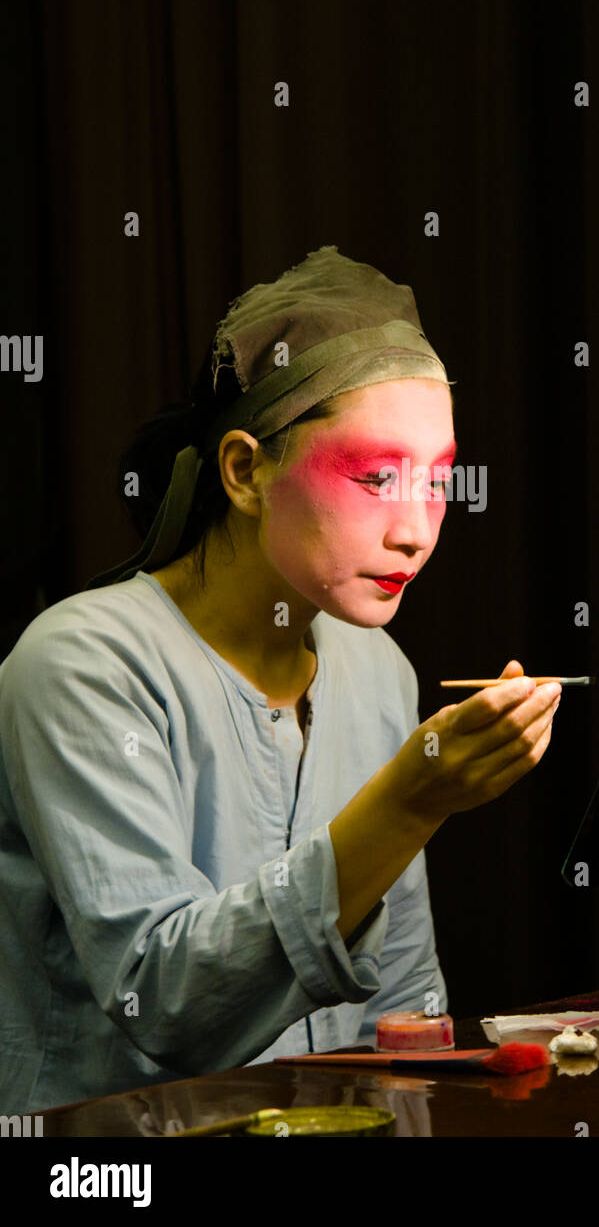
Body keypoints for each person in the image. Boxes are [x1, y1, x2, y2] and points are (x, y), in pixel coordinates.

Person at [0, 246, 561, 1114]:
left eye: (438, 481)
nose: (417, 531)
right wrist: (412, 801)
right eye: (377, 477)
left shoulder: (375, 668)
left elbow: (404, 1006)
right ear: (244, 470)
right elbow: (167, 1000)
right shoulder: (81, 666)